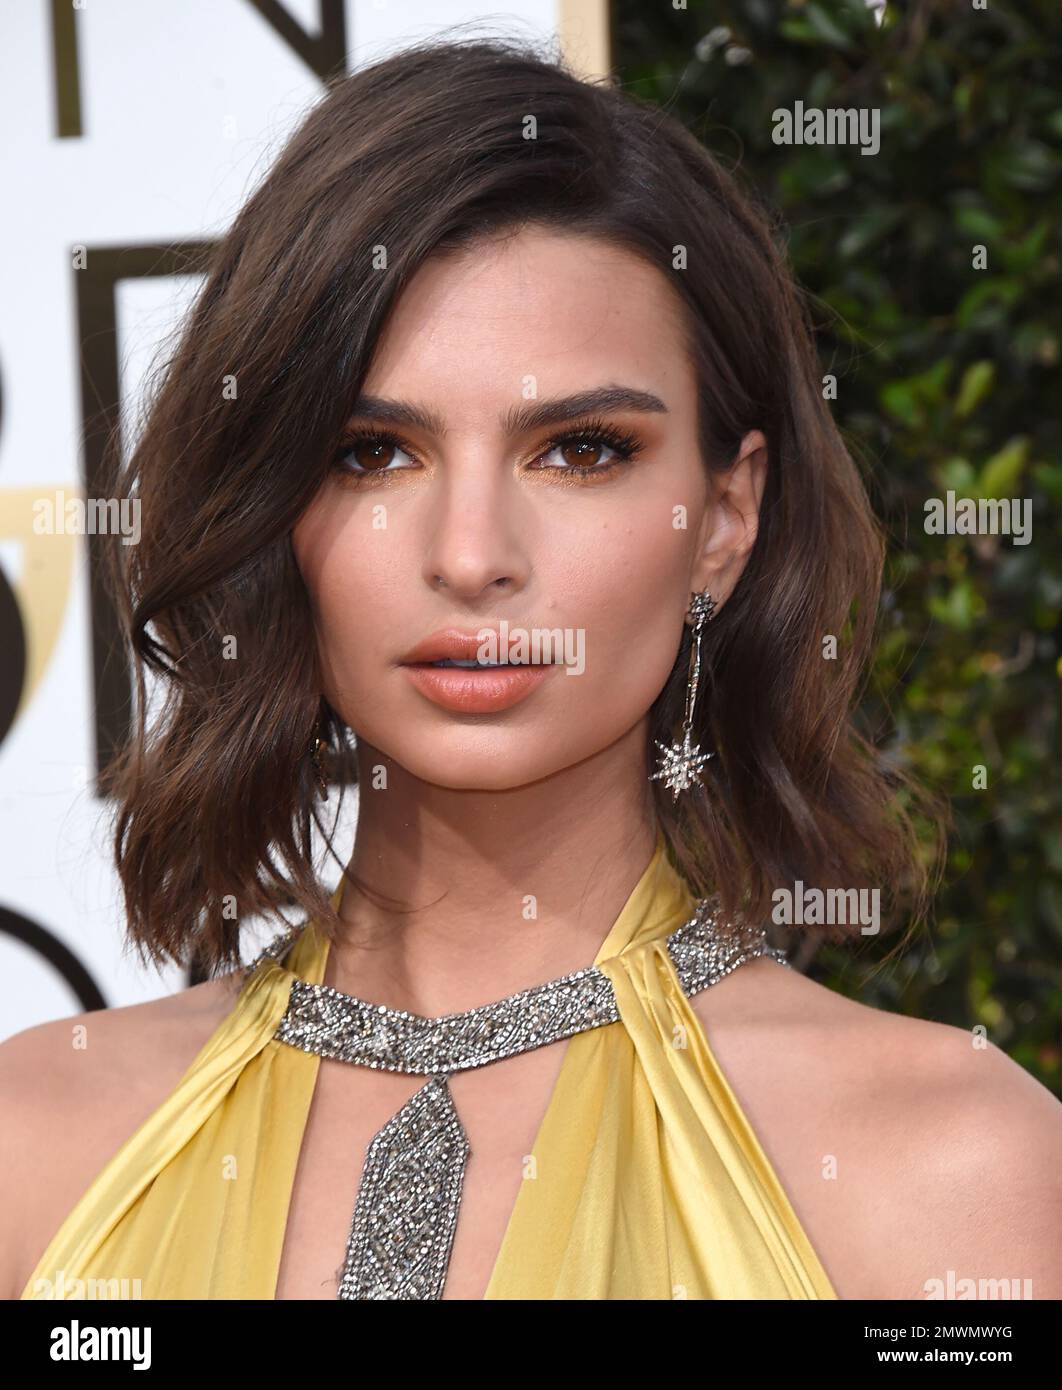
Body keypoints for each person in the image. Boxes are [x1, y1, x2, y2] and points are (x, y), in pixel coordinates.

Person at [3, 35, 1060, 1302]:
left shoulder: (954, 1168)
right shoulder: (41, 1148)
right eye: (371, 453)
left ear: (725, 517)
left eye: (582, 450)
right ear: (276, 507)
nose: (471, 557)